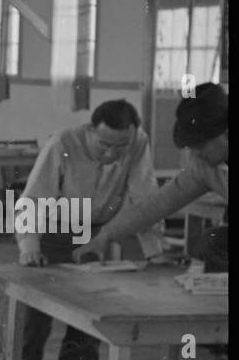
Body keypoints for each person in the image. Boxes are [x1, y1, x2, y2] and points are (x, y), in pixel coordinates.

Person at [14, 100, 164, 360]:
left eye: (119, 147)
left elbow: (145, 196)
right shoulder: (62, 143)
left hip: (99, 234)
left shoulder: (137, 142)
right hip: (52, 231)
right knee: (33, 325)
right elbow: (33, 200)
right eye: (104, 145)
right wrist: (30, 245)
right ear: (90, 131)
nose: (111, 154)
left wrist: (154, 250)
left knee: (90, 323)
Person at [76, 83, 228, 264]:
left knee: (213, 240)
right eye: (192, 148)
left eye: (201, 146)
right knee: (209, 243)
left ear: (226, 133)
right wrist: (106, 235)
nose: (196, 154)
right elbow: (157, 204)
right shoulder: (205, 166)